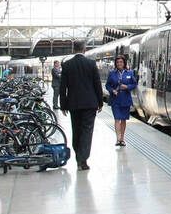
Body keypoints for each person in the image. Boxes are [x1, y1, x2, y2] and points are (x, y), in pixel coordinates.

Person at [58, 41, 104, 171]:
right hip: (90, 103)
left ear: (73, 49)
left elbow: (63, 87)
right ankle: (82, 159)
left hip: (74, 104)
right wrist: (100, 102)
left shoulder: (67, 65)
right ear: (84, 49)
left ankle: (79, 154)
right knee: (87, 131)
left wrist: (63, 105)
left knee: (76, 129)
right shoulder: (91, 64)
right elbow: (97, 84)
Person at [105, 55, 137, 148]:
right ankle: (118, 138)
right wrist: (112, 90)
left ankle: (122, 138)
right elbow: (107, 85)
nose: (119, 64)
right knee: (116, 119)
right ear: (116, 64)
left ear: (124, 63)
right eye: (118, 62)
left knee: (123, 120)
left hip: (126, 99)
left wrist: (127, 87)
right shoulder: (112, 73)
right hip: (115, 99)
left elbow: (134, 84)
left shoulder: (129, 73)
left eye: (121, 62)